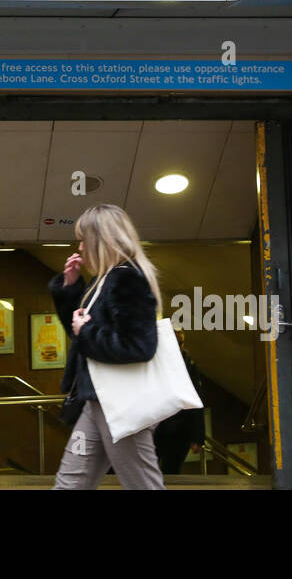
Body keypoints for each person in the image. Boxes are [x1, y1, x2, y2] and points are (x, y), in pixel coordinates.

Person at [50, 203, 165, 490]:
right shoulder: (104, 281)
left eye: (83, 239)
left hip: (120, 404)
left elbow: (139, 346)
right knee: (69, 484)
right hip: (97, 401)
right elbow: (81, 337)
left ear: (100, 241)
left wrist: (87, 331)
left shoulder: (127, 279)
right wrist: (70, 288)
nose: (79, 247)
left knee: (143, 485)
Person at [151, 330, 206, 475]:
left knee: (160, 468)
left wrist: (198, 436)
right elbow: (196, 400)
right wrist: (198, 436)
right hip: (174, 426)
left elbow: (195, 401)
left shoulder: (157, 363)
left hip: (167, 426)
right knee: (169, 469)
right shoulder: (186, 364)